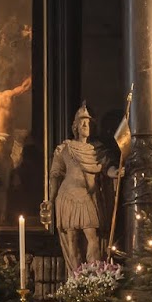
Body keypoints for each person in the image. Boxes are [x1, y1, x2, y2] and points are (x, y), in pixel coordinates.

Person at [45, 104, 106, 275]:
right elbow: (55, 175)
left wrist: (116, 172)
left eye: (88, 122)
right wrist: (50, 200)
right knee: (72, 239)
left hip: (86, 196)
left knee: (92, 237)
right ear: (76, 127)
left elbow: (106, 166)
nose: (85, 125)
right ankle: (76, 277)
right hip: (67, 196)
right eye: (82, 122)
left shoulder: (96, 150)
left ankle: (95, 277)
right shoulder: (65, 148)